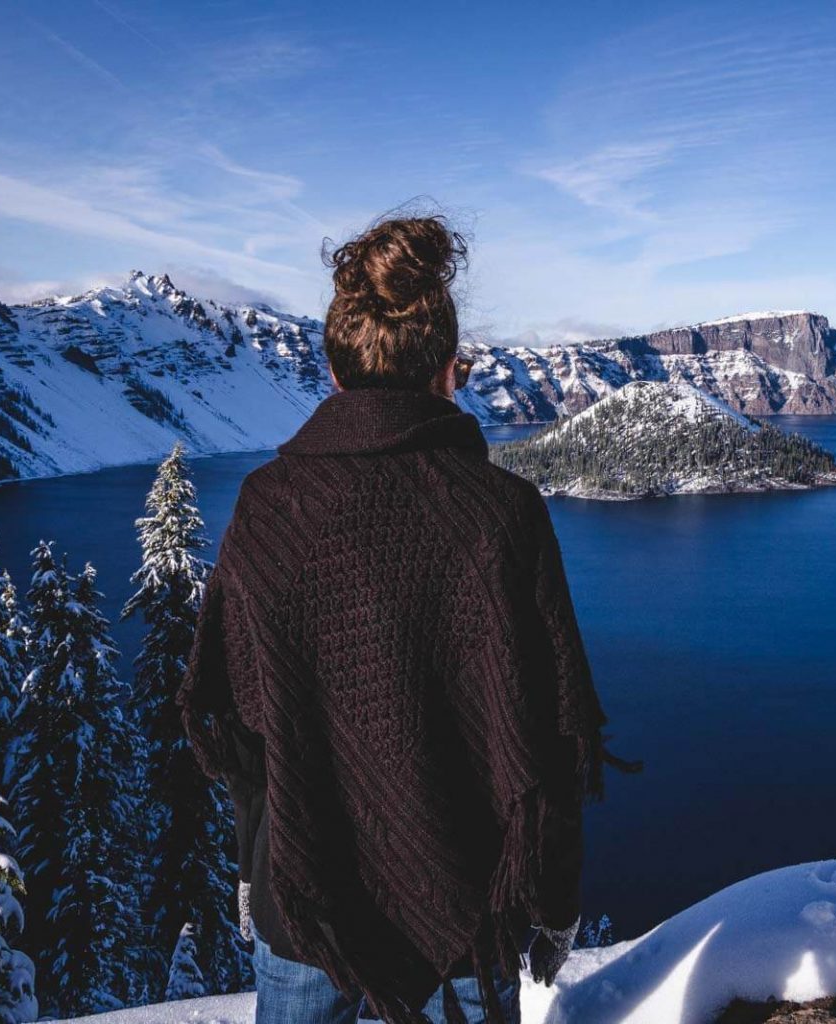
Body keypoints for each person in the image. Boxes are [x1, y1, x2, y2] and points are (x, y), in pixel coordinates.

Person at [179, 214, 631, 1024]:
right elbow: (550, 734)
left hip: (302, 901)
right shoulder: (501, 513)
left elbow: (246, 728)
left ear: (332, 369)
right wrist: (555, 897)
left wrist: (253, 862)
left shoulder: (268, 509)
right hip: (463, 905)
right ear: (448, 372)